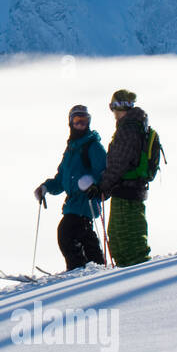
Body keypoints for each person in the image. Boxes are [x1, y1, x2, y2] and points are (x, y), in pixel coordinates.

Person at [33, 104, 107, 271]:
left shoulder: (93, 146)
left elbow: (105, 173)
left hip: (86, 201)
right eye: (77, 120)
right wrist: (46, 187)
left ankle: (78, 269)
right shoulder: (71, 149)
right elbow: (61, 179)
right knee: (82, 235)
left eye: (84, 120)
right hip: (73, 203)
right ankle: (95, 267)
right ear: (70, 123)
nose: (80, 124)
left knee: (67, 233)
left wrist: (91, 182)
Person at [93, 89, 152, 267]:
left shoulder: (128, 129)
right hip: (128, 189)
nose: (113, 112)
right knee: (118, 236)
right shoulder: (136, 125)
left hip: (128, 190)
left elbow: (119, 163)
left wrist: (102, 186)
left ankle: (138, 274)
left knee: (128, 239)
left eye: (114, 106)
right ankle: (126, 273)